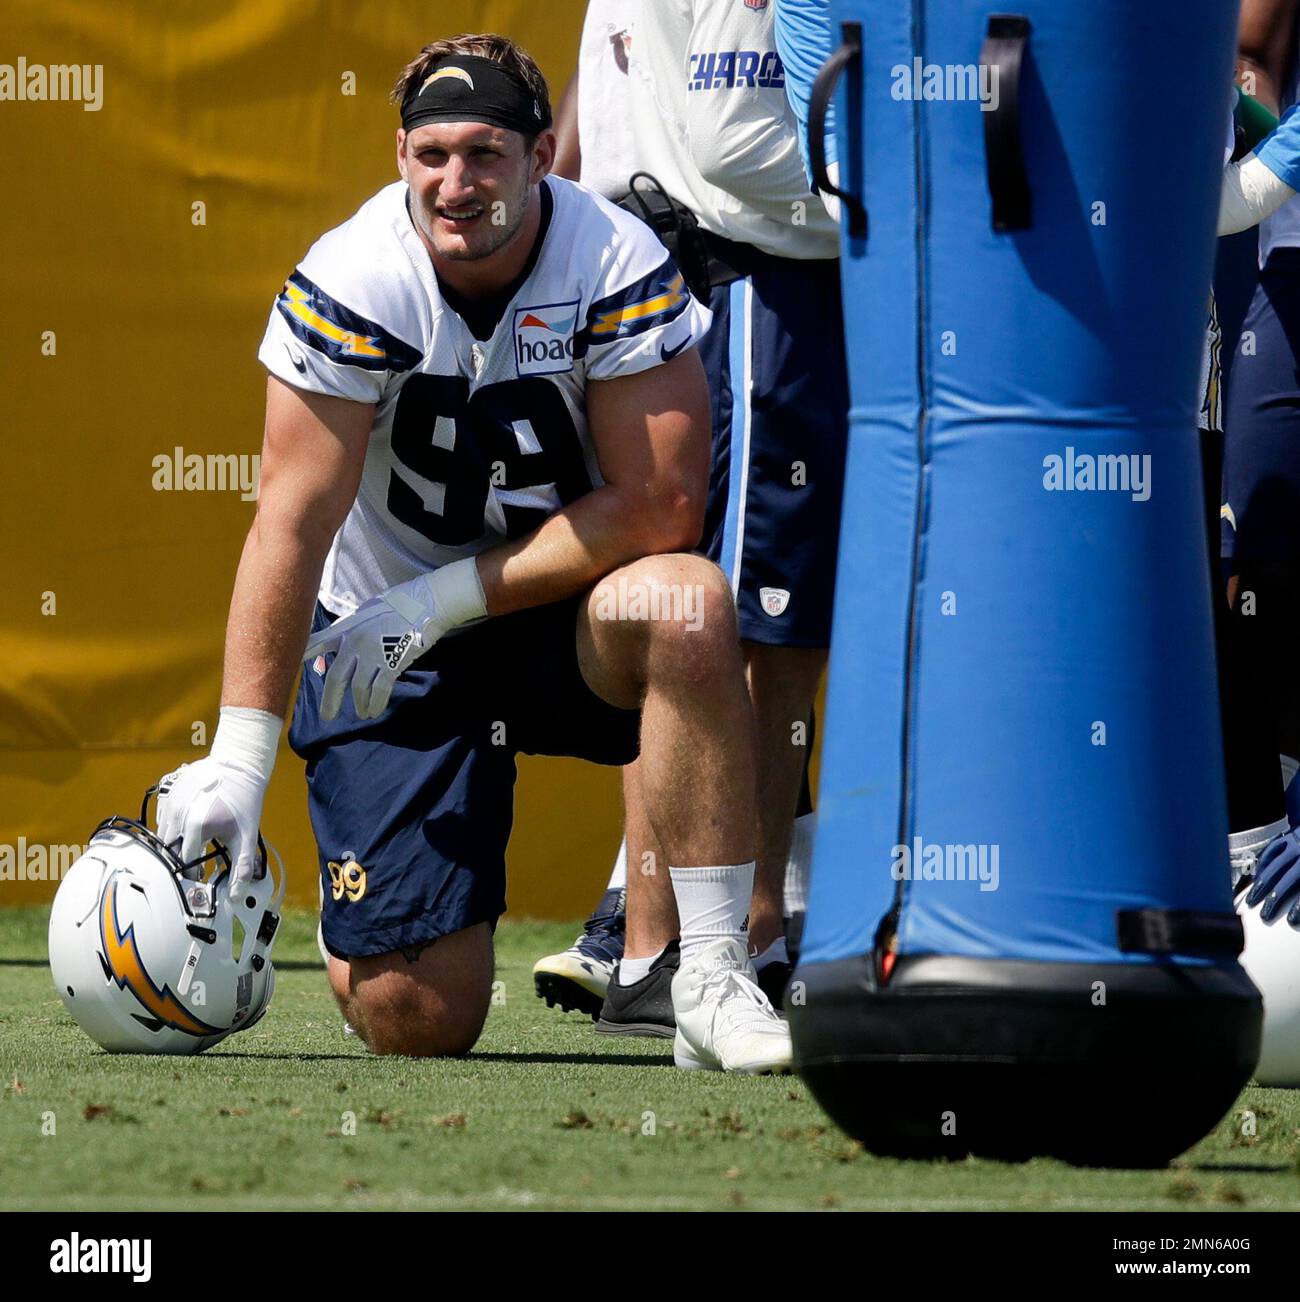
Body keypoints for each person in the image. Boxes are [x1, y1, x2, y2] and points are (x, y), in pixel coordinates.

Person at [151, 32, 790, 1074]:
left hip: (556, 612)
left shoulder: (612, 257)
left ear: (544, 153)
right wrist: (238, 757)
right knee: (418, 1019)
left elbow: (664, 505)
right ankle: (383, 921)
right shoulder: (356, 275)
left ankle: (711, 975)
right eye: (433, 153)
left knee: (687, 602)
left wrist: (451, 596)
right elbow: (291, 521)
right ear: (399, 155)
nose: (457, 182)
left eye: (486, 153)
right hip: (384, 635)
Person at [531, 0, 849, 1035]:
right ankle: (736, 941)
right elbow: (742, 147)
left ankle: (652, 935)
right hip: (753, 282)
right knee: (763, 640)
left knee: (680, 621)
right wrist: (928, 192)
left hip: (679, 276)